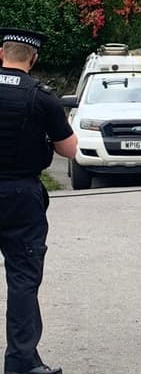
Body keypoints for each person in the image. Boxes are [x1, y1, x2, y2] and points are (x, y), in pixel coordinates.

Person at [0, 28, 78, 374]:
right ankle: (21, 362)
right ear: (33, 59)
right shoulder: (42, 97)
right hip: (21, 195)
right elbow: (70, 150)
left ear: (1, 53)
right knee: (22, 279)